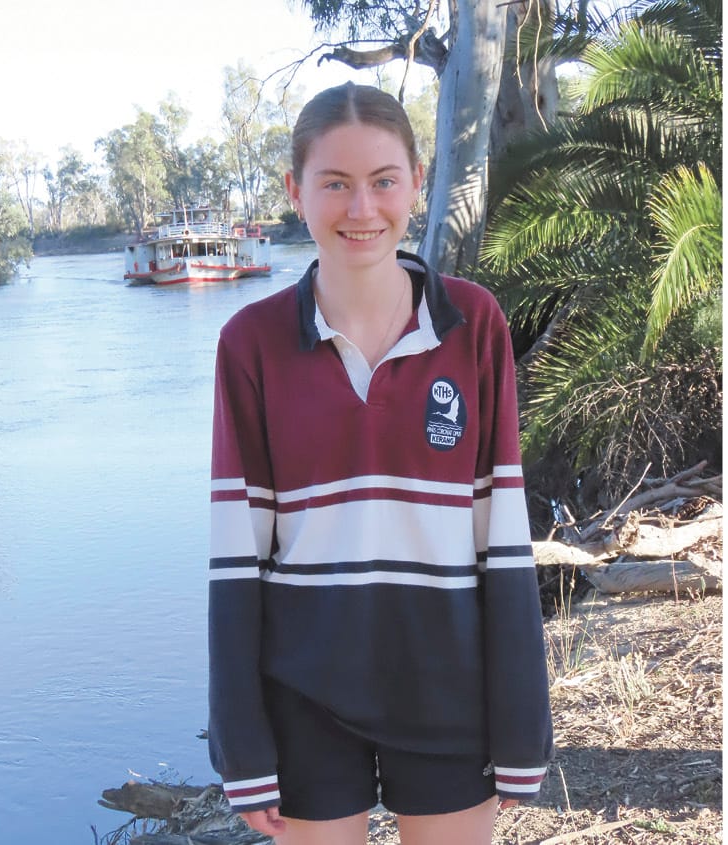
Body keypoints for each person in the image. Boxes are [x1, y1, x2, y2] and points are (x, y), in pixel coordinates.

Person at [207, 82, 553, 845]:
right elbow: (236, 558)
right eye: (335, 183)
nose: (361, 208)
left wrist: (521, 725)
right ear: (295, 191)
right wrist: (242, 746)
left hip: (448, 685)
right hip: (303, 696)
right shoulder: (251, 343)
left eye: (383, 180)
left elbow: (502, 537)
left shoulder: (474, 326)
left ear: (417, 182)